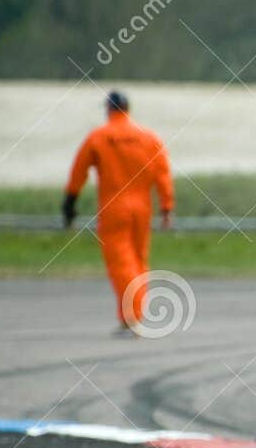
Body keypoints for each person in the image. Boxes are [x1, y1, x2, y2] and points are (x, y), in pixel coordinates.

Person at [62, 91, 173, 336]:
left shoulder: (100, 137)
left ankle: (133, 316)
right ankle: (131, 315)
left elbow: (78, 171)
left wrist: (69, 203)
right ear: (128, 109)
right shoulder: (149, 138)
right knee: (139, 261)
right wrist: (166, 207)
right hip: (142, 208)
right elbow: (163, 174)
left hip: (113, 208)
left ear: (109, 110)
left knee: (121, 264)